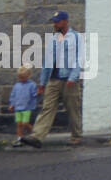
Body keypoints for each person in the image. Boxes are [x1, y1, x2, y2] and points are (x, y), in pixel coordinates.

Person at [22, 11, 85, 148]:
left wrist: (73, 77)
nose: (55, 24)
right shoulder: (53, 39)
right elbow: (47, 61)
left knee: (72, 109)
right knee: (47, 108)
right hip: (53, 79)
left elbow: (79, 59)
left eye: (57, 21)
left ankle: (76, 136)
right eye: (54, 21)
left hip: (69, 80)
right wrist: (42, 82)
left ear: (65, 21)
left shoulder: (76, 37)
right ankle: (36, 136)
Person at [9, 65, 37, 146]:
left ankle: (35, 134)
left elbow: (34, 95)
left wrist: (37, 93)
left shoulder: (32, 85)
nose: (21, 79)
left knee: (25, 123)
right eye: (20, 77)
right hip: (17, 108)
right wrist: (12, 104)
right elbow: (13, 95)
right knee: (19, 124)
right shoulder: (16, 85)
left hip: (27, 107)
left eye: (23, 77)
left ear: (28, 76)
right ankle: (20, 139)